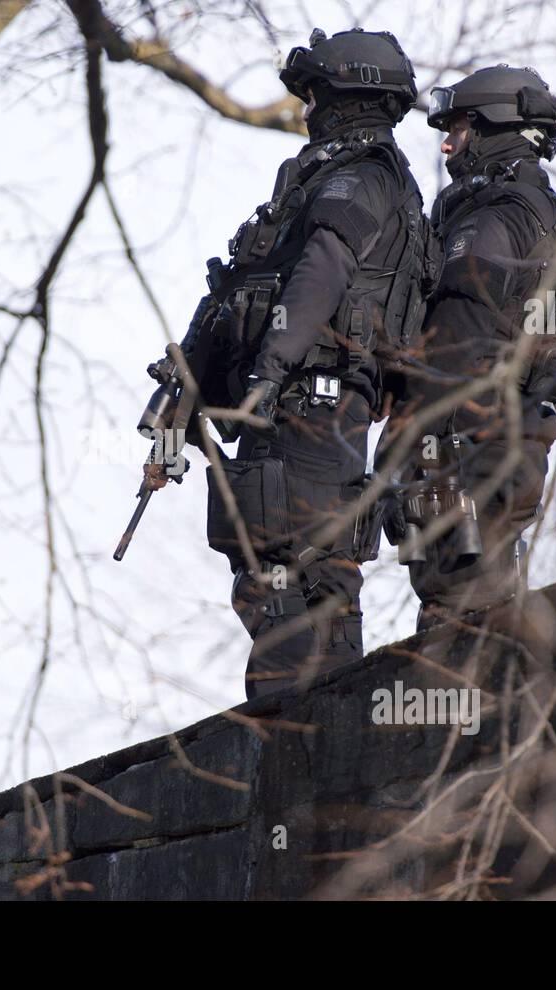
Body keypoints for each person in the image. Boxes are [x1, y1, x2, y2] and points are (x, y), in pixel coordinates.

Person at [176, 28, 438, 699]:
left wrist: (269, 370)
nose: (307, 109)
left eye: (316, 94)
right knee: (291, 575)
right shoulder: (356, 180)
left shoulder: (359, 179)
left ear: (348, 97)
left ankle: (300, 741)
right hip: (314, 404)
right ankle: (306, 732)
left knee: (299, 575)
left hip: (310, 404)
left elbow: (322, 272)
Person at [381, 65, 556, 631]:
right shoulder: (554, 216)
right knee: (488, 598)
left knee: (455, 614)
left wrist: (398, 443)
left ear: (492, 128)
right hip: (521, 435)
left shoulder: (491, 219)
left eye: (457, 129)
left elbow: (454, 347)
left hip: (468, 442)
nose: (447, 143)